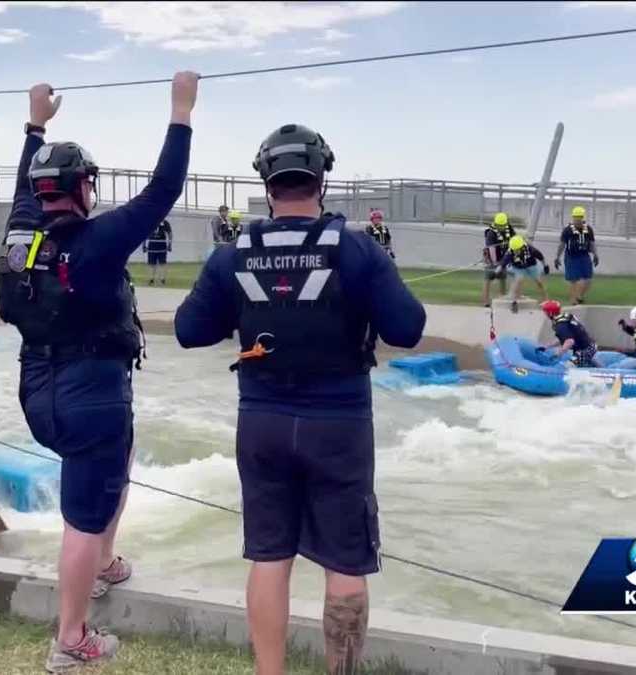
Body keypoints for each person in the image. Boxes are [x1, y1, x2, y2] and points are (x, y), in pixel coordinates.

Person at [174, 123, 425, 675]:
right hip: (339, 424)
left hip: (261, 421)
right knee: (345, 561)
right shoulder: (356, 248)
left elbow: (189, 330)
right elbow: (407, 328)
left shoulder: (231, 254)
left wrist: (245, 311)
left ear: (267, 182)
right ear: (321, 178)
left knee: (268, 556)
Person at [0, 73, 198, 671]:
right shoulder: (100, 240)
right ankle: (71, 639)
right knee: (81, 517)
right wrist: (180, 110)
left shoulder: (19, 237)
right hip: (93, 394)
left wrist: (35, 126)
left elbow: (21, 187)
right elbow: (164, 189)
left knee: (116, 467)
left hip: (38, 389)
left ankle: (105, 560)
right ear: (84, 188)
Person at [555, 205, 599, 305]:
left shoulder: (588, 229)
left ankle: (579, 297)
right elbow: (562, 244)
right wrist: (557, 257)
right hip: (571, 256)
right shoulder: (567, 230)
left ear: (583, 218)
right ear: (573, 217)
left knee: (588, 280)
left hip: (584, 255)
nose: (578, 220)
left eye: (580, 217)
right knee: (574, 281)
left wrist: (596, 254)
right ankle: (573, 301)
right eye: (576, 217)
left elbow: (592, 243)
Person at [539, 300, 599, 367]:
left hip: (585, 349)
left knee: (567, 366)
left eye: (545, 311)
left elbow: (569, 341)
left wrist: (559, 353)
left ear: (550, 313)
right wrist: (547, 347)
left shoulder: (560, 325)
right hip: (589, 346)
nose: (544, 313)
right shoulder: (565, 317)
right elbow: (564, 338)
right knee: (584, 361)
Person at [498, 235, 549, 313]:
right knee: (519, 280)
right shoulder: (510, 251)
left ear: (522, 247)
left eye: (517, 249)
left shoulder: (531, 250)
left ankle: (546, 300)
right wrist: (499, 269)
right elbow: (504, 262)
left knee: (539, 282)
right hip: (518, 267)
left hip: (531, 266)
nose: (515, 251)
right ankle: (514, 301)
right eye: (514, 249)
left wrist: (545, 266)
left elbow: (541, 257)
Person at [481, 212, 515, 306]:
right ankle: (485, 301)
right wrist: (495, 263)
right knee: (488, 278)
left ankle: (502, 299)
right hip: (491, 259)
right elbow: (491, 248)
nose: (501, 227)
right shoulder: (491, 233)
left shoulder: (509, 229)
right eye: (499, 225)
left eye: (503, 225)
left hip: (503, 257)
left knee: (502, 278)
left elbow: (514, 240)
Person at [142, 218, 173, 285]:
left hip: (162, 246)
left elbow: (170, 233)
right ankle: (151, 279)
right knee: (151, 264)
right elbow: (144, 233)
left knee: (163, 263)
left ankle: (162, 280)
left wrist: (170, 244)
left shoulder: (165, 223)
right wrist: (144, 245)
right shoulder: (150, 221)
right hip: (152, 246)